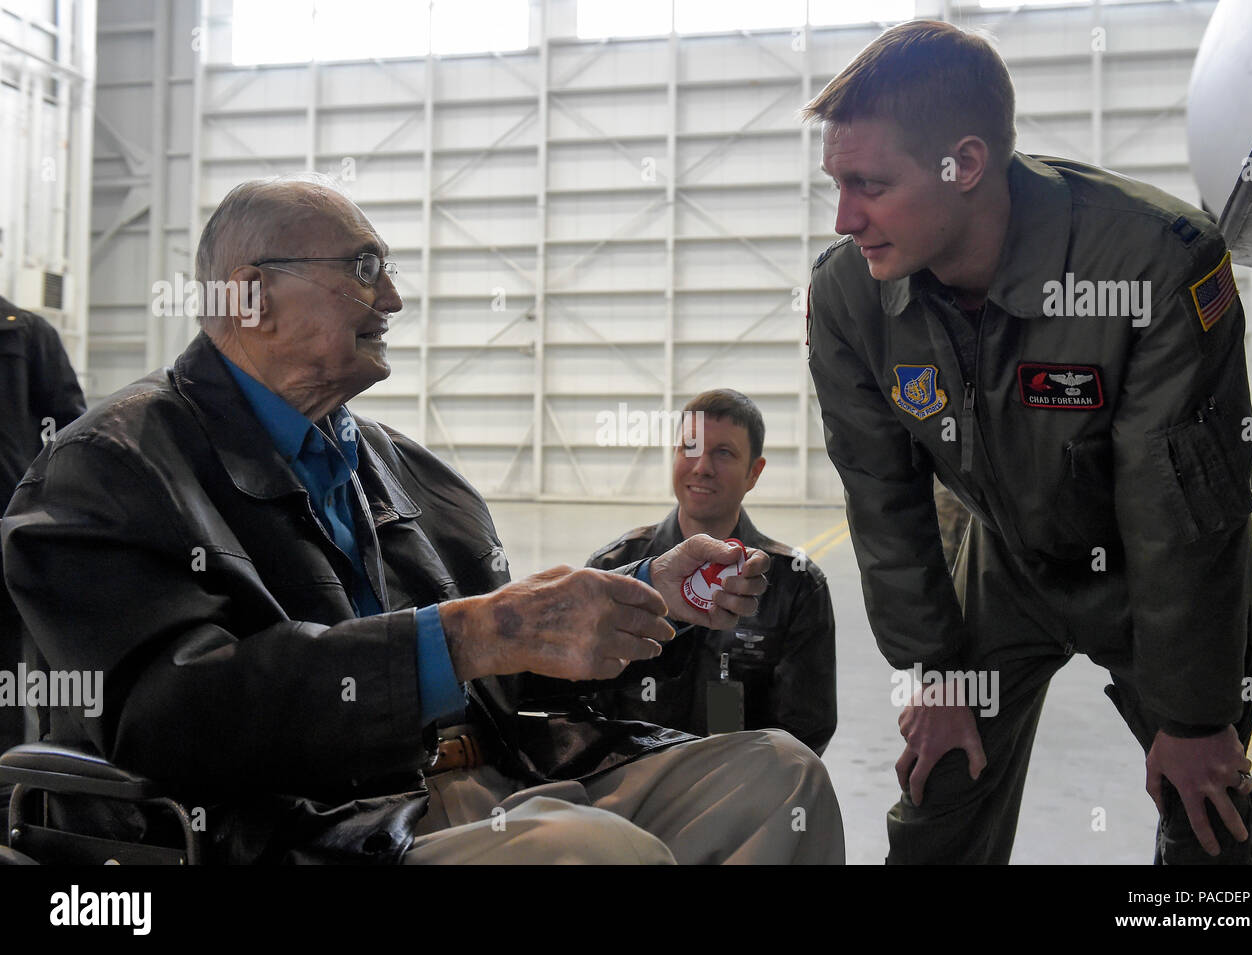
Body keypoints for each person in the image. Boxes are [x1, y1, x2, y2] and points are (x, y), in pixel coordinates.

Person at [1, 175, 845, 865]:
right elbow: (172, 717)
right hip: (311, 827)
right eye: (365, 268)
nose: (394, 297)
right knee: (587, 852)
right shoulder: (110, 469)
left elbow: (507, 662)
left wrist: (641, 595)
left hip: (489, 787)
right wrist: (463, 638)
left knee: (777, 774)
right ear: (252, 297)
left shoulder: (408, 469)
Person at [804, 20, 1252, 864]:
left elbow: (1177, 511)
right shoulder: (850, 298)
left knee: (1209, 816)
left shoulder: (1156, 266)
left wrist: (1196, 714)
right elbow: (883, 499)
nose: (845, 217)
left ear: (967, 164)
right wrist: (935, 671)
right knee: (937, 798)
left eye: (869, 183)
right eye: (836, 183)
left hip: (1152, 571)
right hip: (1004, 562)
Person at [584, 389, 836, 755]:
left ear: (754, 472)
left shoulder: (796, 586)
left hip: (742, 798)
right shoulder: (612, 570)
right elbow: (584, 709)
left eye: (724, 452)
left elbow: (804, 733)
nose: (702, 466)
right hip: (630, 795)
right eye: (689, 447)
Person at [0, 294, 86, 839]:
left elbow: (71, 441)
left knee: (11, 680)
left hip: (9, 546)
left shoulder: (24, 335)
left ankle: (12, 805)